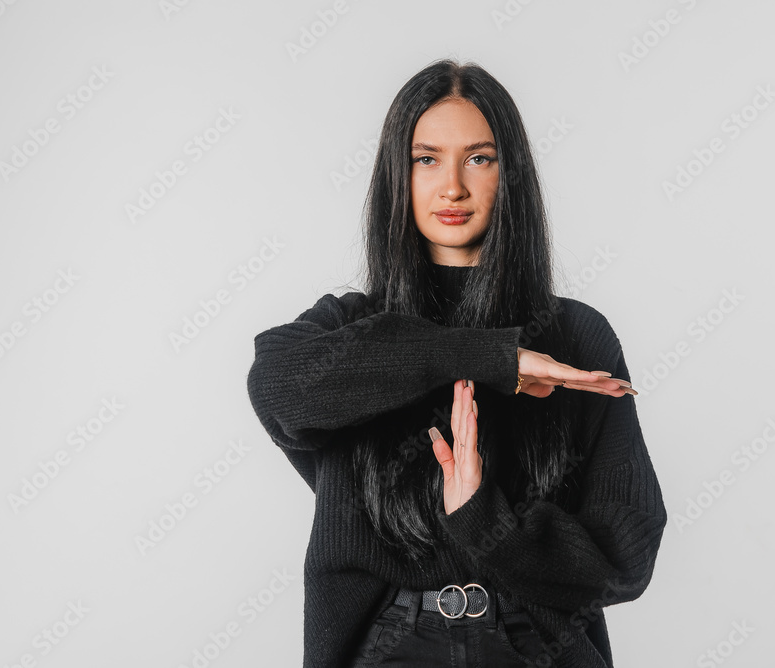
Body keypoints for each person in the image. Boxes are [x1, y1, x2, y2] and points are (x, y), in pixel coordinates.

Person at [246, 58, 667, 667]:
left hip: (535, 642)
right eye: (426, 159)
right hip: (387, 642)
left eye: (478, 158)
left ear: (510, 173)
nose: (452, 187)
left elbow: (626, 555)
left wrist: (485, 523)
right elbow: (278, 388)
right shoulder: (348, 326)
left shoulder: (576, 337)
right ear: (399, 174)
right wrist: (487, 356)